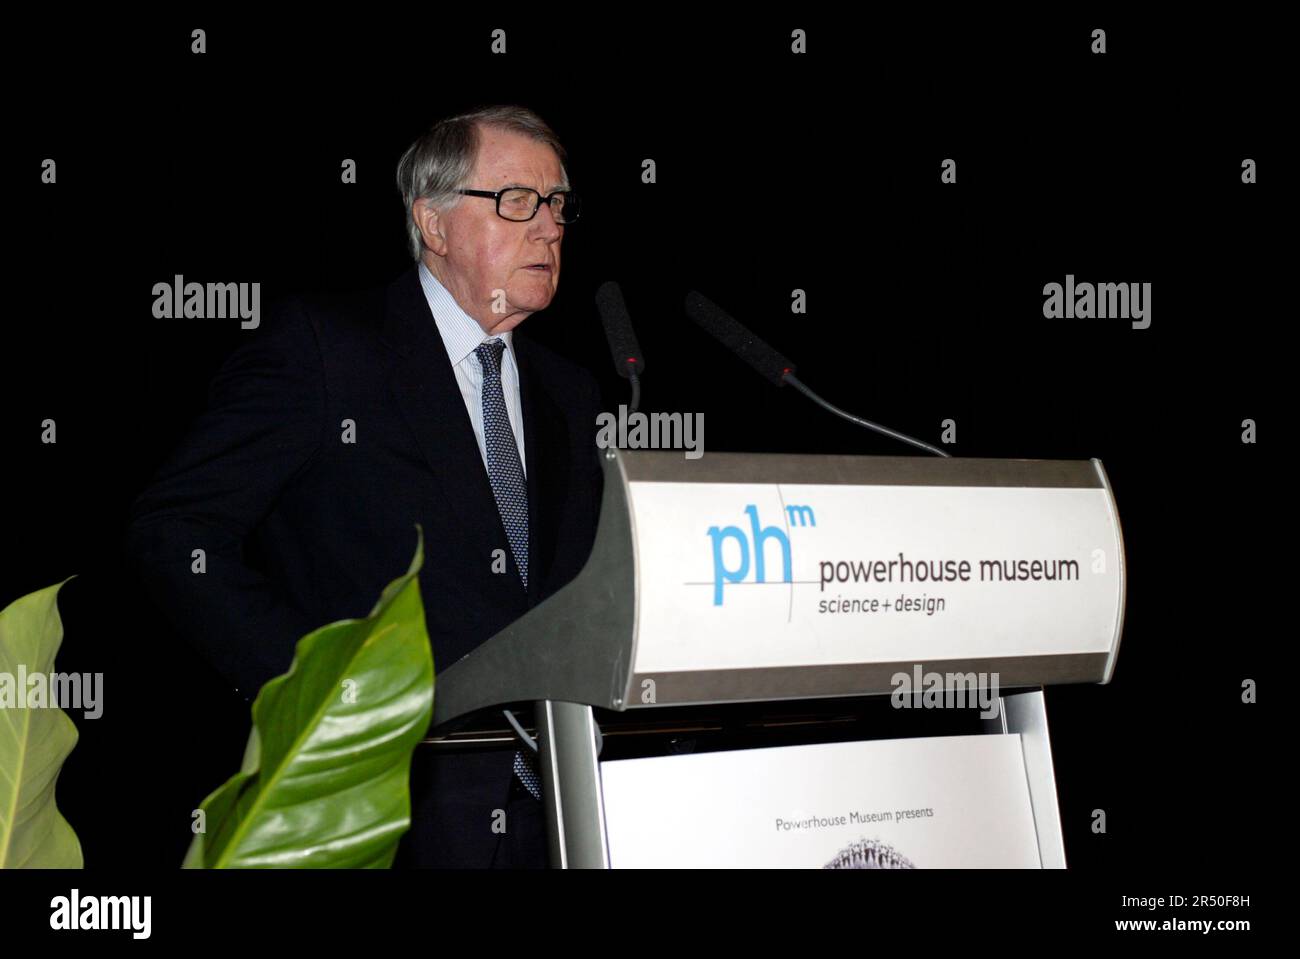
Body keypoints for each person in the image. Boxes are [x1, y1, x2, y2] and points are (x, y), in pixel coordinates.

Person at [124, 103, 603, 868]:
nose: (547, 227)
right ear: (434, 223)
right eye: (516, 201)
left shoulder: (570, 392)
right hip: (381, 813)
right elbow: (175, 531)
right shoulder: (325, 350)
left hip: (560, 810)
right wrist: (321, 693)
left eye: (557, 204)